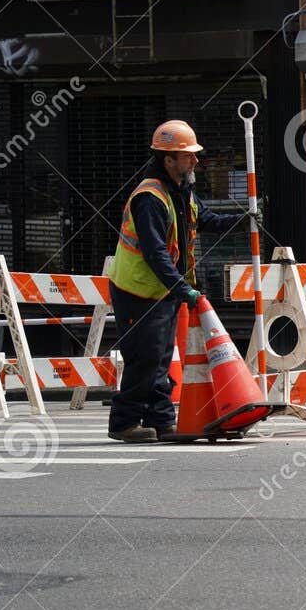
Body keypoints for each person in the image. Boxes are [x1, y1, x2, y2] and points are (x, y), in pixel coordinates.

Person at [106, 120, 245, 442]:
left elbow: (206, 219)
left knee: (162, 358)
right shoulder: (149, 197)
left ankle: (162, 420)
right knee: (145, 358)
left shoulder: (181, 192)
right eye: (188, 156)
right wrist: (182, 288)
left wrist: (242, 221)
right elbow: (156, 253)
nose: (196, 160)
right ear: (168, 159)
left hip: (162, 290)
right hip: (138, 290)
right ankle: (123, 423)